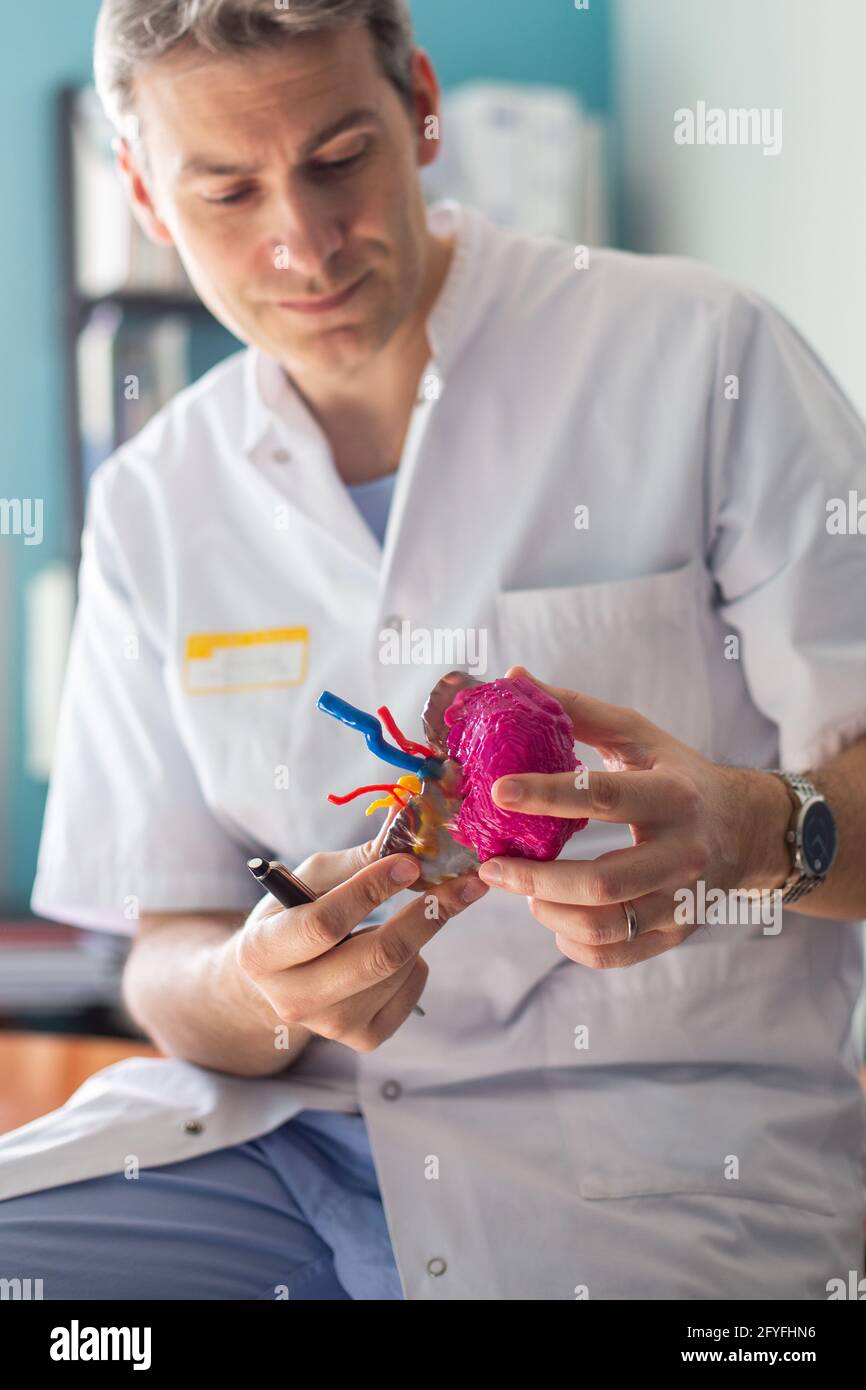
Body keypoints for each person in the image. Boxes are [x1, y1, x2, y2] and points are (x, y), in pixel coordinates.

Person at [1, 0, 865, 1301]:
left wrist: (754, 829)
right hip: (275, 1143)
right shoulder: (152, 496)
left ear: (418, 105)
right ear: (141, 192)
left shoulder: (701, 353)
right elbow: (164, 953)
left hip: (651, 1170)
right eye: (227, 190)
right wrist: (255, 986)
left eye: (339, 155)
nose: (301, 238)